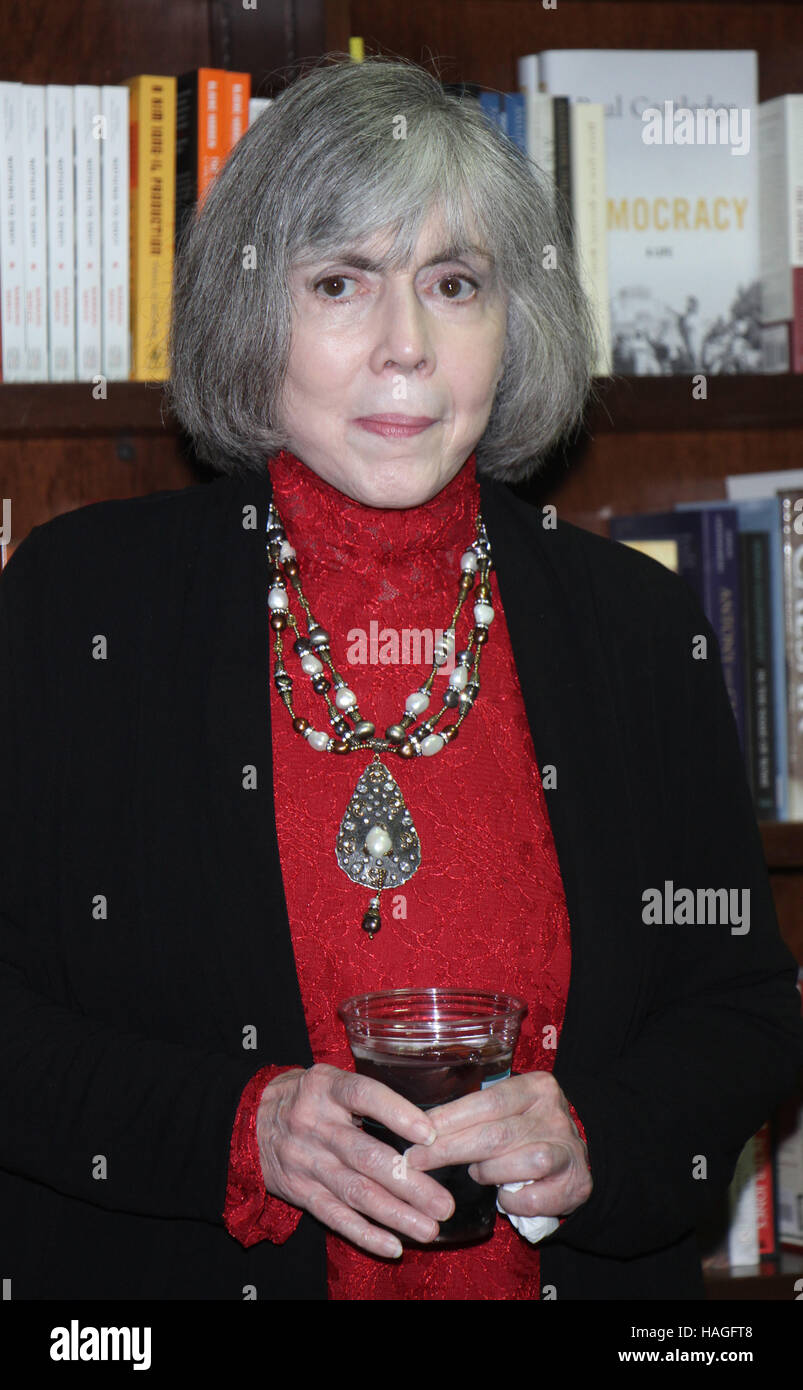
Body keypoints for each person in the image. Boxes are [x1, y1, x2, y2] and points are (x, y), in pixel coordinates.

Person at [1, 54, 801, 1303]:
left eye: (453, 283)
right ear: (249, 316)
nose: (405, 348)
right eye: (339, 284)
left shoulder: (637, 627)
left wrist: (592, 1132)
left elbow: (740, 1005)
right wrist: (241, 1127)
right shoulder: (79, 606)